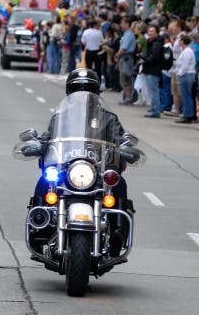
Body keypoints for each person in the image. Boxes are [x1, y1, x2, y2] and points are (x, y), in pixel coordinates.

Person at [29, 68, 133, 256]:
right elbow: (48, 137)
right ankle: (37, 228)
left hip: (97, 171)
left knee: (118, 183)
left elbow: (120, 139)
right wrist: (39, 144)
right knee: (44, 181)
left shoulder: (108, 117)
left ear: (96, 92)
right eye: (78, 89)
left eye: (87, 89)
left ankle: (118, 233)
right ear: (70, 91)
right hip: (67, 168)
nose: (82, 93)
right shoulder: (61, 116)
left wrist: (126, 148)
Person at [174, 34, 197, 123]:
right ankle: (188, 114)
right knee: (187, 95)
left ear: (183, 41)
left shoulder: (187, 51)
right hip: (187, 74)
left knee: (186, 95)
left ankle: (187, 115)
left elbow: (185, 65)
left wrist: (180, 74)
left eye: (180, 40)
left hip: (186, 75)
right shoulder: (186, 51)